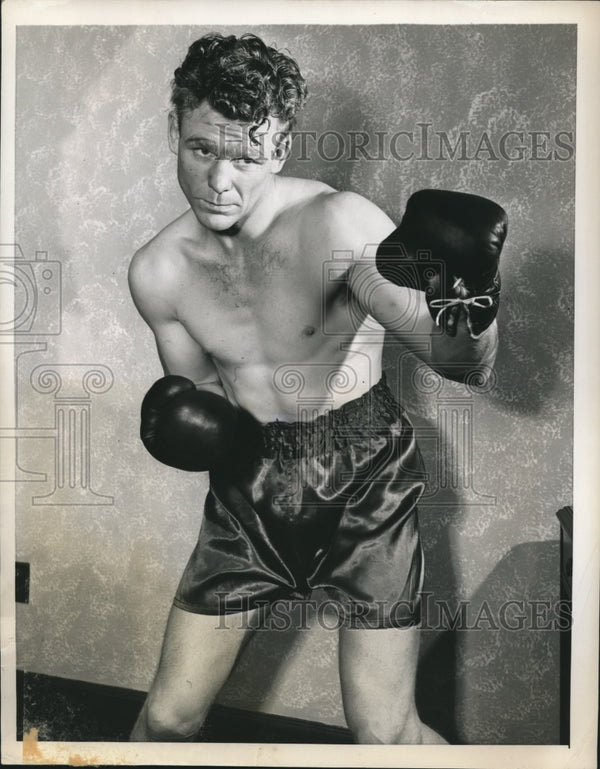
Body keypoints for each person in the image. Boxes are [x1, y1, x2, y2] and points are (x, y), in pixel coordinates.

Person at [128, 33, 506, 744]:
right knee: (168, 716)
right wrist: (188, 421)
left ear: (279, 147)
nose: (220, 182)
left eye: (246, 156)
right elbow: (201, 395)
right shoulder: (158, 272)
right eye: (202, 150)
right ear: (173, 130)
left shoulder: (339, 225)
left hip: (368, 478)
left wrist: (474, 300)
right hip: (250, 484)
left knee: (386, 730)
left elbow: (461, 363)